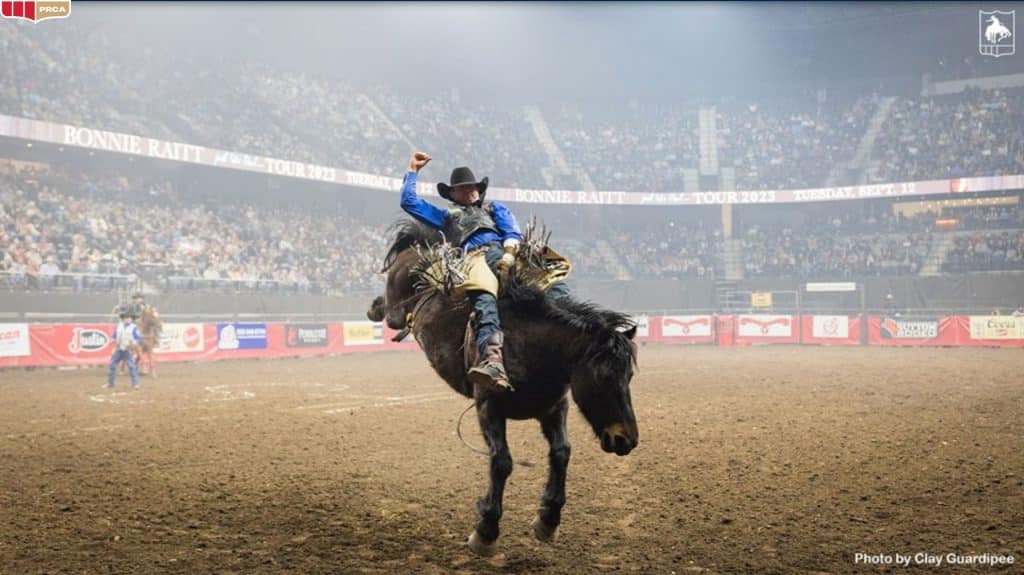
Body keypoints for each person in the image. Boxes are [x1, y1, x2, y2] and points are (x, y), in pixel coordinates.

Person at [399, 152, 523, 392]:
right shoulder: (445, 217)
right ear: (452, 194)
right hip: (474, 261)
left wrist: (508, 254)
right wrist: (412, 170)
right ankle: (493, 361)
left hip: (505, 253)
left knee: (552, 281)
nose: (469, 191)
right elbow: (409, 202)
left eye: (472, 187)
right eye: (462, 189)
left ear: (479, 190)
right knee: (484, 302)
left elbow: (512, 231)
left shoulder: (494, 208)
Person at [106, 310, 141, 390]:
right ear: (123, 319)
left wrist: (133, 344)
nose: (128, 319)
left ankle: (135, 384)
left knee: (131, 367)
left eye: (129, 318)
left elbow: (137, 338)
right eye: (126, 318)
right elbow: (114, 336)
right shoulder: (119, 326)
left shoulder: (134, 327)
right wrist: (113, 341)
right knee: (112, 365)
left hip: (127, 349)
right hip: (118, 349)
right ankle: (110, 383)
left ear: (131, 319)